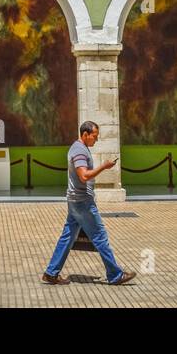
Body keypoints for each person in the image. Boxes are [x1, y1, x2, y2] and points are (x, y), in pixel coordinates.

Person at [41, 121, 136, 286]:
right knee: (100, 236)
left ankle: (51, 272)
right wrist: (104, 167)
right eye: (95, 136)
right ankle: (115, 275)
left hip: (75, 201)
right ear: (85, 134)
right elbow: (84, 176)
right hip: (82, 201)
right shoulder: (79, 150)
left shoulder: (78, 148)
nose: (96, 140)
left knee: (68, 237)